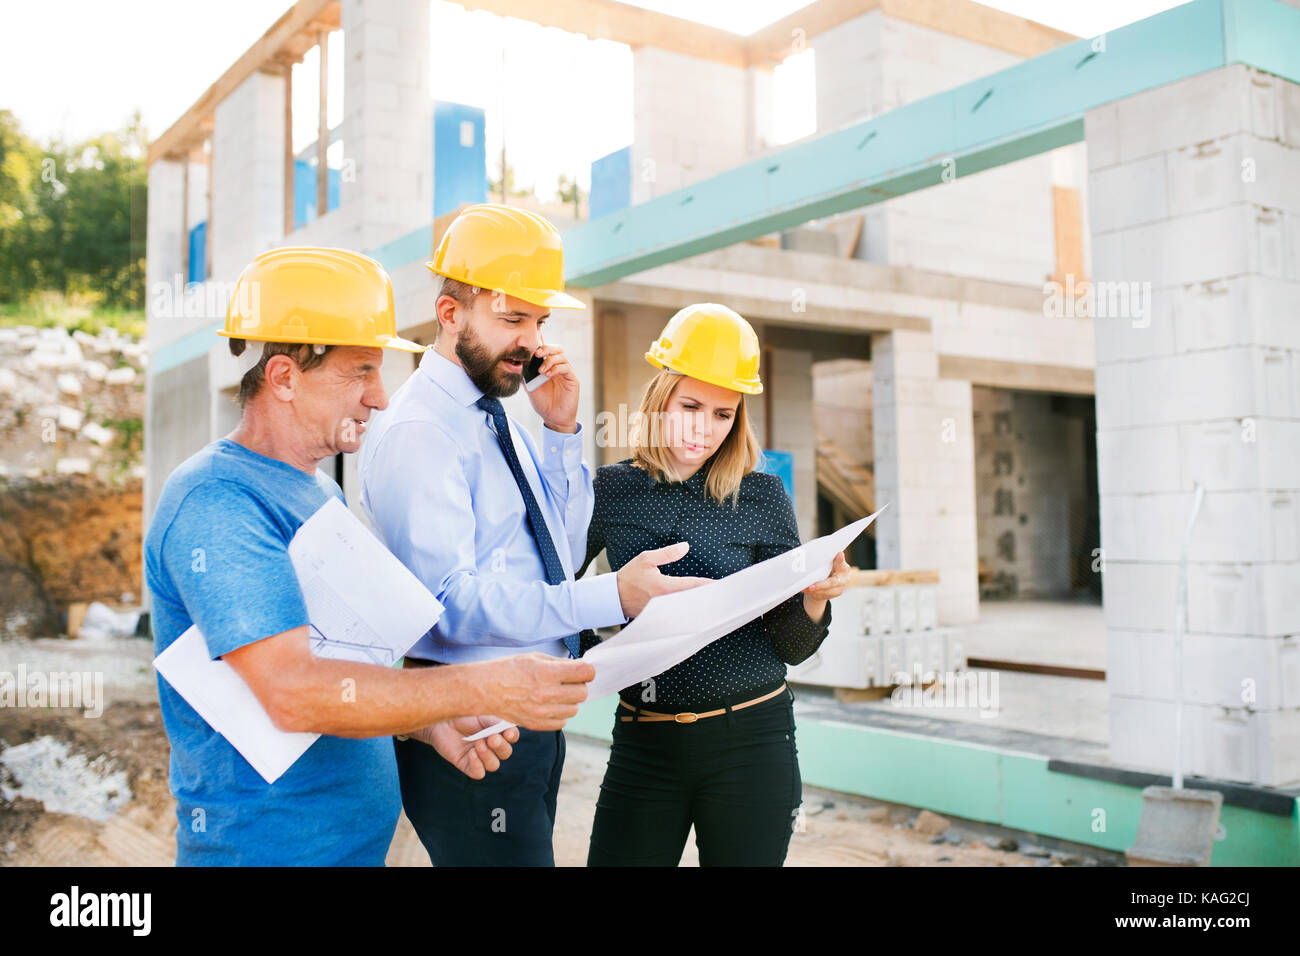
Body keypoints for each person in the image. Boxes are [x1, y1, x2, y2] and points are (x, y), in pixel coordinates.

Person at [145, 247, 595, 866]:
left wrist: (429, 721)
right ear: (283, 377)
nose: (380, 398)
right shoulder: (218, 502)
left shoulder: (317, 490)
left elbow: (344, 664)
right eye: (360, 372)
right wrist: (486, 683)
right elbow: (295, 692)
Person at [358, 204, 708, 866]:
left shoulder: (499, 417)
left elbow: (562, 550)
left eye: (539, 320)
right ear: (450, 313)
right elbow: (451, 604)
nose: (530, 339)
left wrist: (560, 431)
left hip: (525, 715)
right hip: (472, 723)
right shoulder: (422, 433)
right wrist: (610, 598)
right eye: (511, 318)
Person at [581, 302, 852, 867]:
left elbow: (793, 649)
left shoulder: (762, 496)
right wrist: (597, 661)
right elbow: (559, 598)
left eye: (724, 414)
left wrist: (813, 601)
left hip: (752, 741)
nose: (705, 428)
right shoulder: (609, 490)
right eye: (691, 406)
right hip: (644, 740)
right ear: (661, 397)